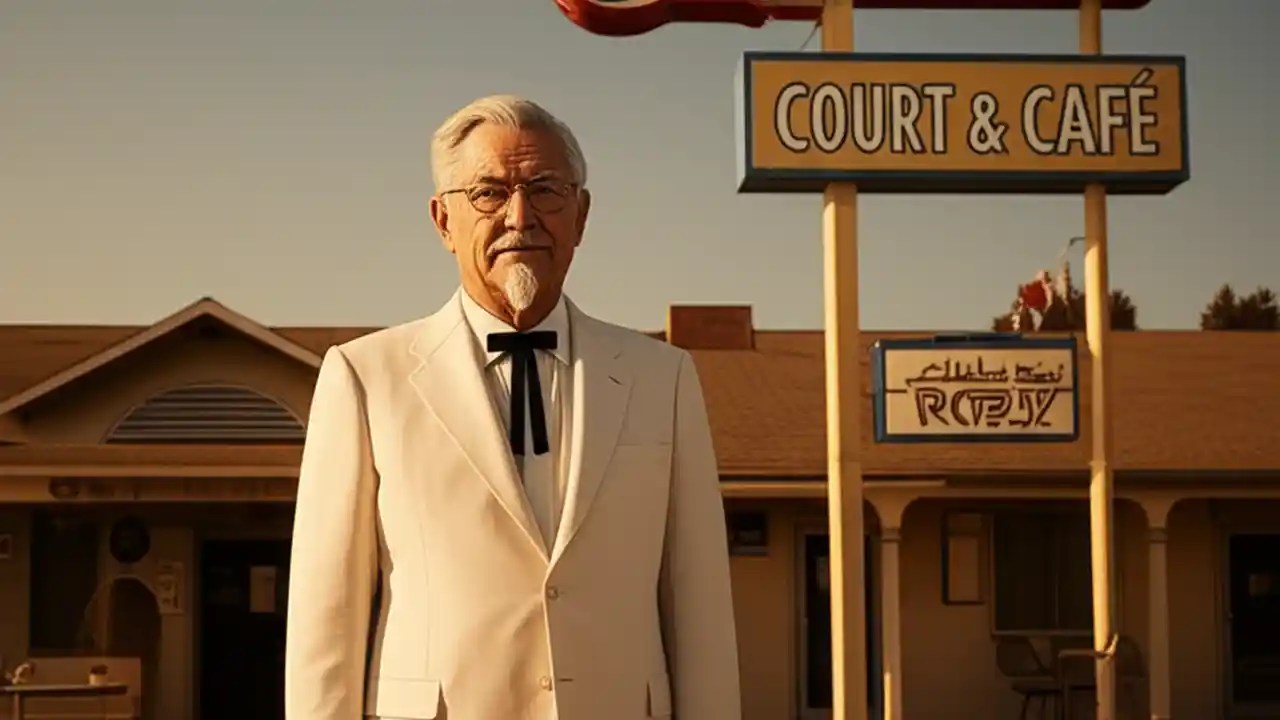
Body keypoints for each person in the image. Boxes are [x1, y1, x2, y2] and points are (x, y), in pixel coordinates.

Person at [284, 94, 741, 720]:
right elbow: (324, 616)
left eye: (546, 189)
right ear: (443, 221)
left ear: (581, 216)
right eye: (488, 193)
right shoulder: (366, 379)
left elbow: (701, 608)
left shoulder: (663, 378)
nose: (520, 216)